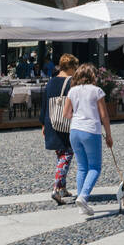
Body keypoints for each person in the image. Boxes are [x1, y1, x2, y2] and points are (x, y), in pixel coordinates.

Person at [62, 63, 113, 217]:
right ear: (92, 76)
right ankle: (83, 196)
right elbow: (104, 115)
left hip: (75, 130)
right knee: (95, 167)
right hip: (91, 131)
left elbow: (66, 114)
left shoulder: (72, 91)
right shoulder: (97, 91)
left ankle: (81, 203)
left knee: (82, 167)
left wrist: (78, 117)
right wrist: (108, 135)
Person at [42, 53, 78, 205]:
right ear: (70, 67)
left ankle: (62, 188)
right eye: (75, 67)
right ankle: (56, 189)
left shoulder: (51, 82)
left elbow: (44, 104)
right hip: (66, 122)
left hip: (52, 121)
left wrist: (43, 124)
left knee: (60, 154)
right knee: (67, 154)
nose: (76, 70)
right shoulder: (72, 82)